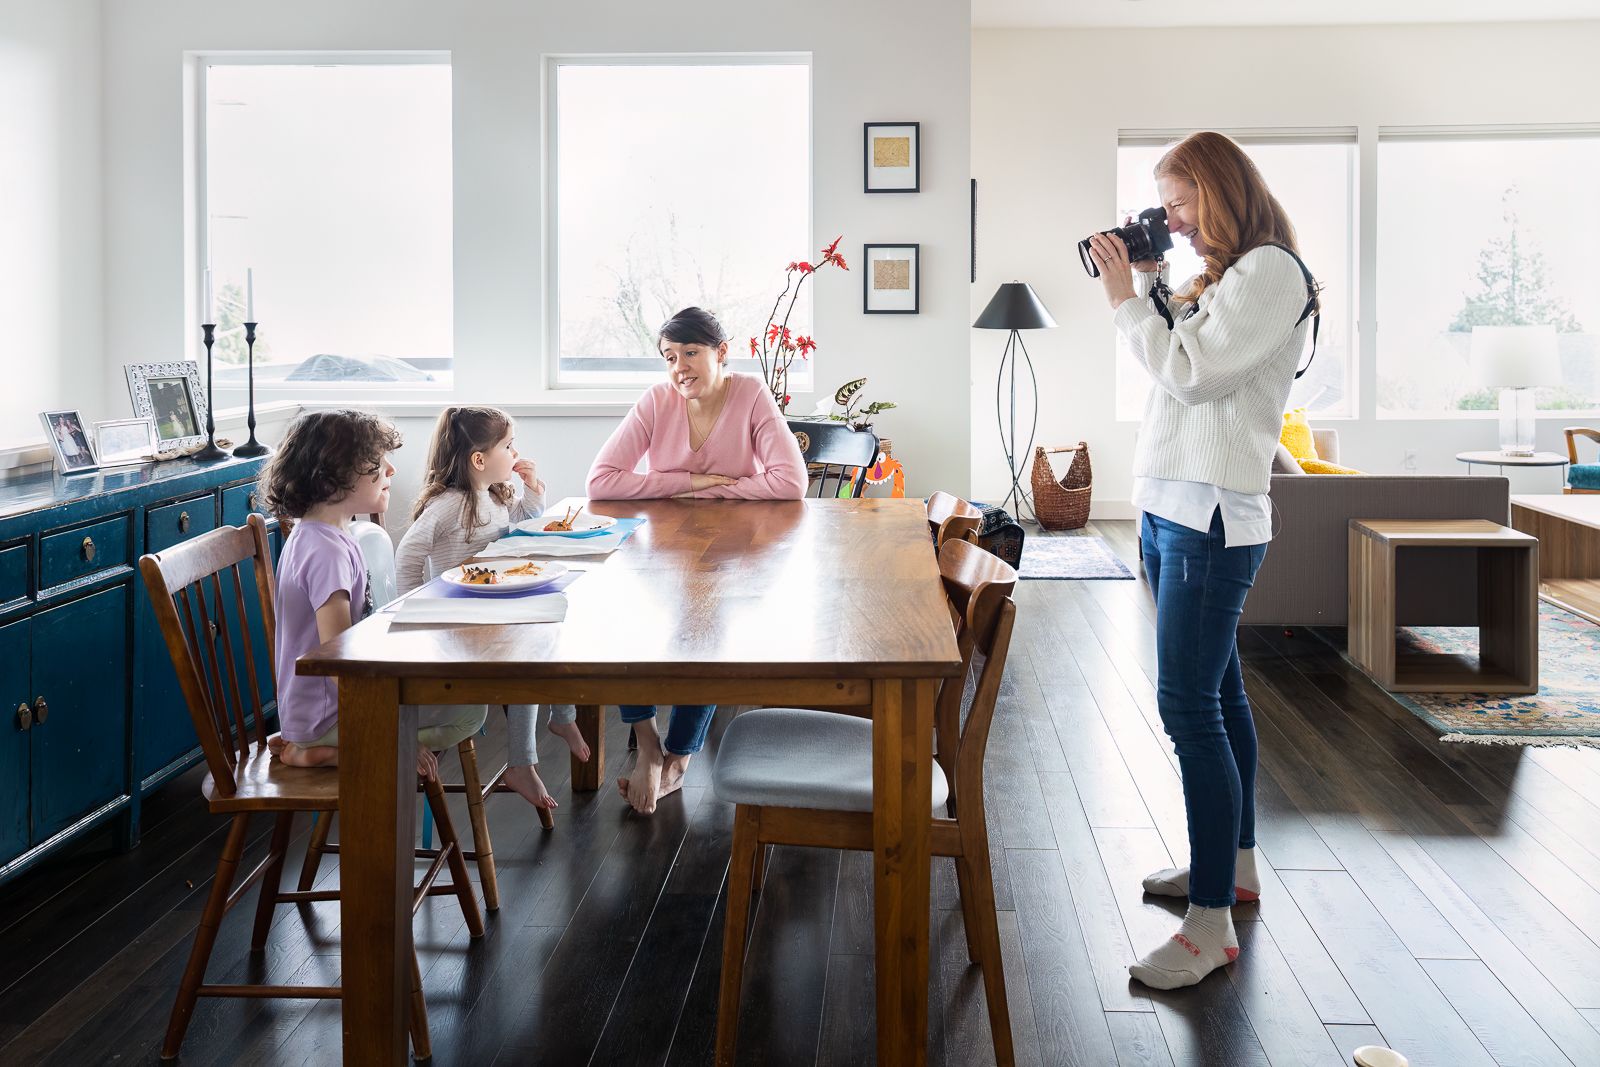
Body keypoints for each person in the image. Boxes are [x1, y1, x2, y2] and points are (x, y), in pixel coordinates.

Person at [1085, 131, 1317, 990]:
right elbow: (1178, 359)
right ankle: (1236, 867)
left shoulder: (1271, 272)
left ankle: (1210, 922)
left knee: (1189, 707)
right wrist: (1146, 288)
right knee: (1220, 693)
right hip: (1172, 505)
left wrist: (1123, 299)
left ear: (1219, 191)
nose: (1173, 220)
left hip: (1211, 516)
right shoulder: (1222, 278)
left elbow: (1187, 376)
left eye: (1180, 202)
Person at [586, 306, 807, 814]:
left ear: (720, 353)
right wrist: (693, 481)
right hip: (661, 551)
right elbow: (600, 480)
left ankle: (678, 760)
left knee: (707, 634)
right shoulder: (656, 401)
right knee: (624, 624)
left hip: (734, 552)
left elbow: (791, 483)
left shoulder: (750, 394)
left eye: (691, 353)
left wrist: (706, 495)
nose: (679, 367)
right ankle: (646, 743)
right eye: (669, 357)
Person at [261, 409, 484, 778]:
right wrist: (392, 732)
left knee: (455, 698)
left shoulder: (321, 535)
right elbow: (337, 663)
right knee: (470, 711)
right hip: (328, 714)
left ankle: (315, 741)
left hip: (311, 711)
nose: (391, 471)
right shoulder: (326, 551)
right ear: (333, 479)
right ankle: (324, 749)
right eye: (377, 464)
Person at [395, 406, 589, 814]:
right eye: (508, 446)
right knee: (528, 650)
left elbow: (523, 523)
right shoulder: (449, 504)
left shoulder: (496, 493)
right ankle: (523, 761)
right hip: (463, 618)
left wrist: (534, 488)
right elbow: (409, 552)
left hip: (492, 606)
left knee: (555, 621)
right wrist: (415, 605)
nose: (515, 453)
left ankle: (562, 714)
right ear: (479, 460)